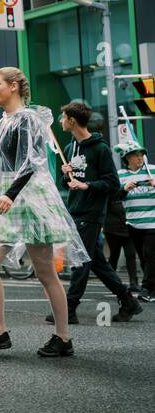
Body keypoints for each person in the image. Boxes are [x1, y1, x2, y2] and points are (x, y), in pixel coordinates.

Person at [0, 69, 89, 357]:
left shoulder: (27, 119)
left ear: (13, 87)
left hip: (29, 196)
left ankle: (63, 337)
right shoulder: (6, 121)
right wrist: (6, 193)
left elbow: (33, 162)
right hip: (11, 195)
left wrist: (10, 194)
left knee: (45, 270)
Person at [52, 101, 142, 325]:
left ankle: (69, 308)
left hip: (91, 213)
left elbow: (112, 183)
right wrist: (67, 176)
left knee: (81, 262)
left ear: (72, 121)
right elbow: (67, 184)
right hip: (76, 210)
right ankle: (128, 301)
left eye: (63, 118)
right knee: (97, 263)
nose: (61, 122)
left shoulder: (100, 149)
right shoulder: (70, 147)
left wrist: (87, 186)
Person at [116, 142, 155, 303]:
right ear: (127, 158)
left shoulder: (152, 170)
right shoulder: (121, 174)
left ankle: (147, 289)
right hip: (132, 223)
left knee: (150, 255)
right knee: (144, 258)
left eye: (141, 155)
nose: (140, 158)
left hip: (152, 223)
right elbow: (115, 197)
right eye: (136, 155)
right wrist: (124, 189)